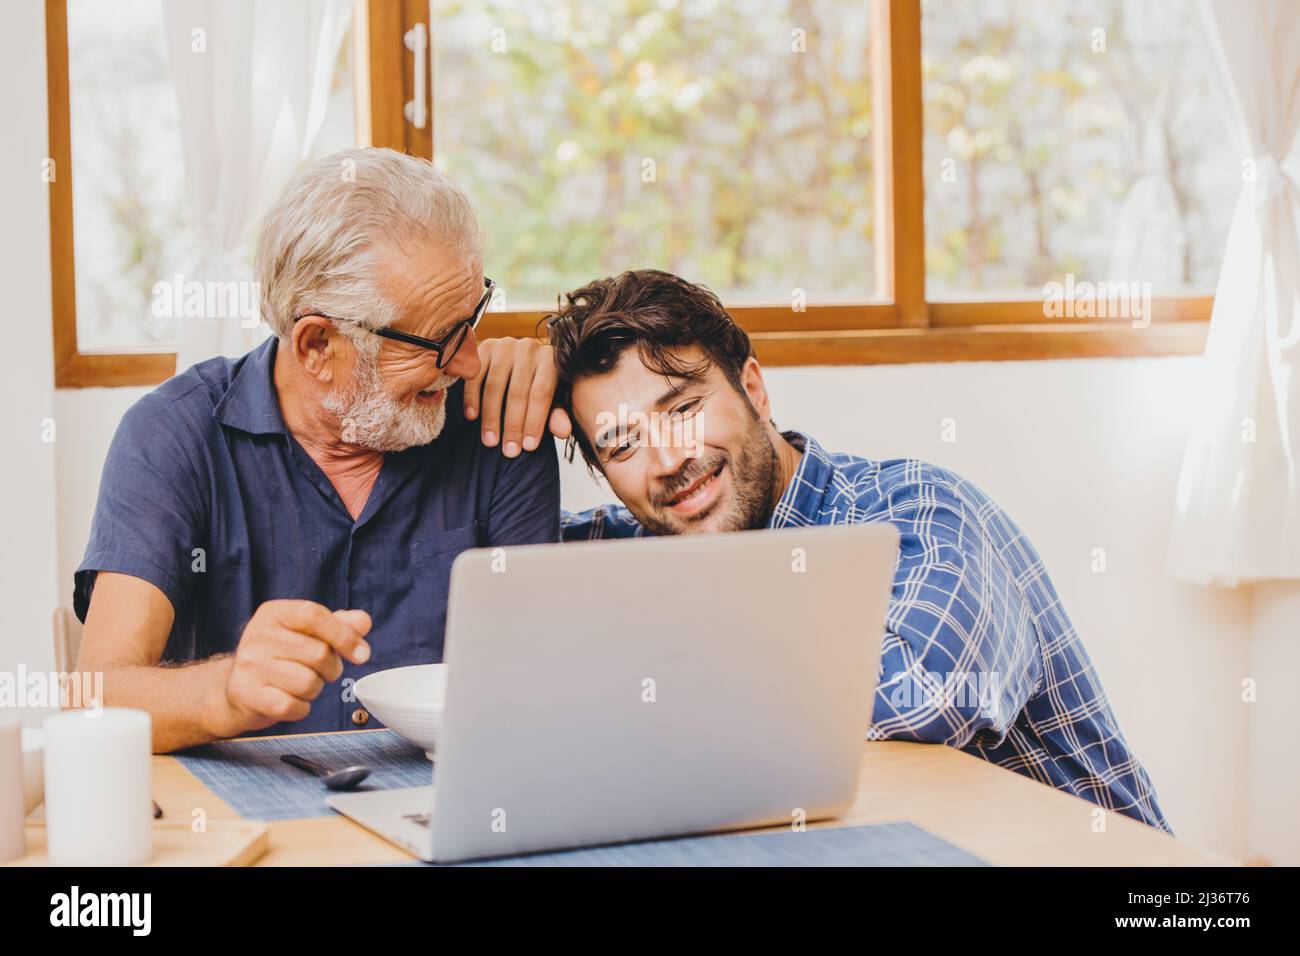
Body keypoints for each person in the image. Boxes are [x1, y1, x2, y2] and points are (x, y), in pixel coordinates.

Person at [468, 269, 1172, 832]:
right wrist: (478, 387)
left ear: (752, 386)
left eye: (681, 410)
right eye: (620, 444)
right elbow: (488, 582)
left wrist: (656, 669)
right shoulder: (645, 547)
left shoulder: (919, 509)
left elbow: (929, 697)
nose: (665, 462)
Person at [74, 148, 559, 751]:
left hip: (451, 808)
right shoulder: (173, 436)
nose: (469, 361)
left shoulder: (493, 426)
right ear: (317, 345)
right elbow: (98, 696)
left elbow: (543, 687)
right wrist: (226, 691)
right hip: (243, 820)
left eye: (473, 318)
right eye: (439, 340)